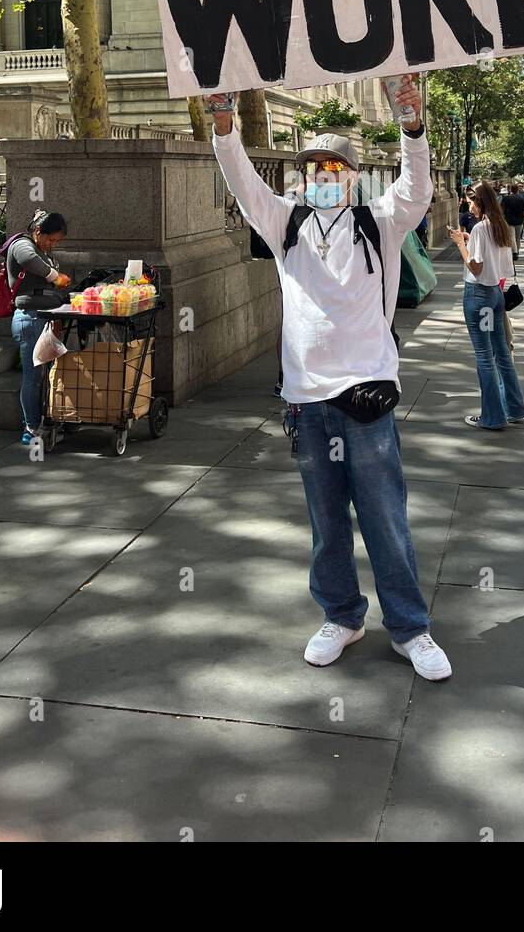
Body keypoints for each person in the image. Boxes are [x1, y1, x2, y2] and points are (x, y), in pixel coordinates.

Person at [209, 79, 451, 682]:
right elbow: (240, 178)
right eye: (313, 165)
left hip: (365, 398)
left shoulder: (382, 220)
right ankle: (341, 615)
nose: (323, 174)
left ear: (353, 174)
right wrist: (222, 120)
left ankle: (410, 628)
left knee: (385, 518)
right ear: (301, 175)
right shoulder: (283, 223)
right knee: (326, 521)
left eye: (335, 166)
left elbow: (418, 186)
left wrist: (412, 124)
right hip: (305, 404)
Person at [448, 182, 524, 431]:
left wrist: (461, 244)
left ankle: (492, 416)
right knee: (501, 352)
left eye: (471, 202)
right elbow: (501, 264)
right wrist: (471, 242)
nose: (469, 207)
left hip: (479, 294)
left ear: (480, 202)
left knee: (484, 356)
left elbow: (476, 267)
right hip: (495, 294)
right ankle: (513, 407)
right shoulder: (499, 226)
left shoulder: (482, 228)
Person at [7, 211, 71, 445]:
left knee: (48, 375)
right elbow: (27, 260)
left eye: (56, 241)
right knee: (33, 376)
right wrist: (55, 276)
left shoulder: (43, 251)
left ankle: (47, 421)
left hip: (46, 317)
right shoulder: (22, 244)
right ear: (37, 231)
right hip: (30, 318)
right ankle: (31, 427)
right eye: (50, 239)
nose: (51, 244)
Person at [502, 180, 524, 258]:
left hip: (509, 220)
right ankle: (517, 251)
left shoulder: (506, 198)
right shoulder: (521, 199)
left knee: (511, 237)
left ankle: (514, 252)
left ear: (511, 190)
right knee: (518, 237)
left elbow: (502, 209)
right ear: (518, 190)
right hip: (519, 220)